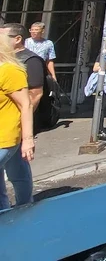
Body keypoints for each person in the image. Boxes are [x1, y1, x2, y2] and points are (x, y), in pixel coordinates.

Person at [0, 34, 35, 211]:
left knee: (18, 175)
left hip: (5, 136)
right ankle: (17, 216)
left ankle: (24, 210)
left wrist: (28, 139)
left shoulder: (9, 70)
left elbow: (26, 104)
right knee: (17, 173)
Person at [3, 24, 46, 113]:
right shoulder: (5, 57)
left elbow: (35, 95)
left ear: (18, 39)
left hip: (12, 121)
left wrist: (20, 122)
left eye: (1, 37)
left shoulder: (32, 61)